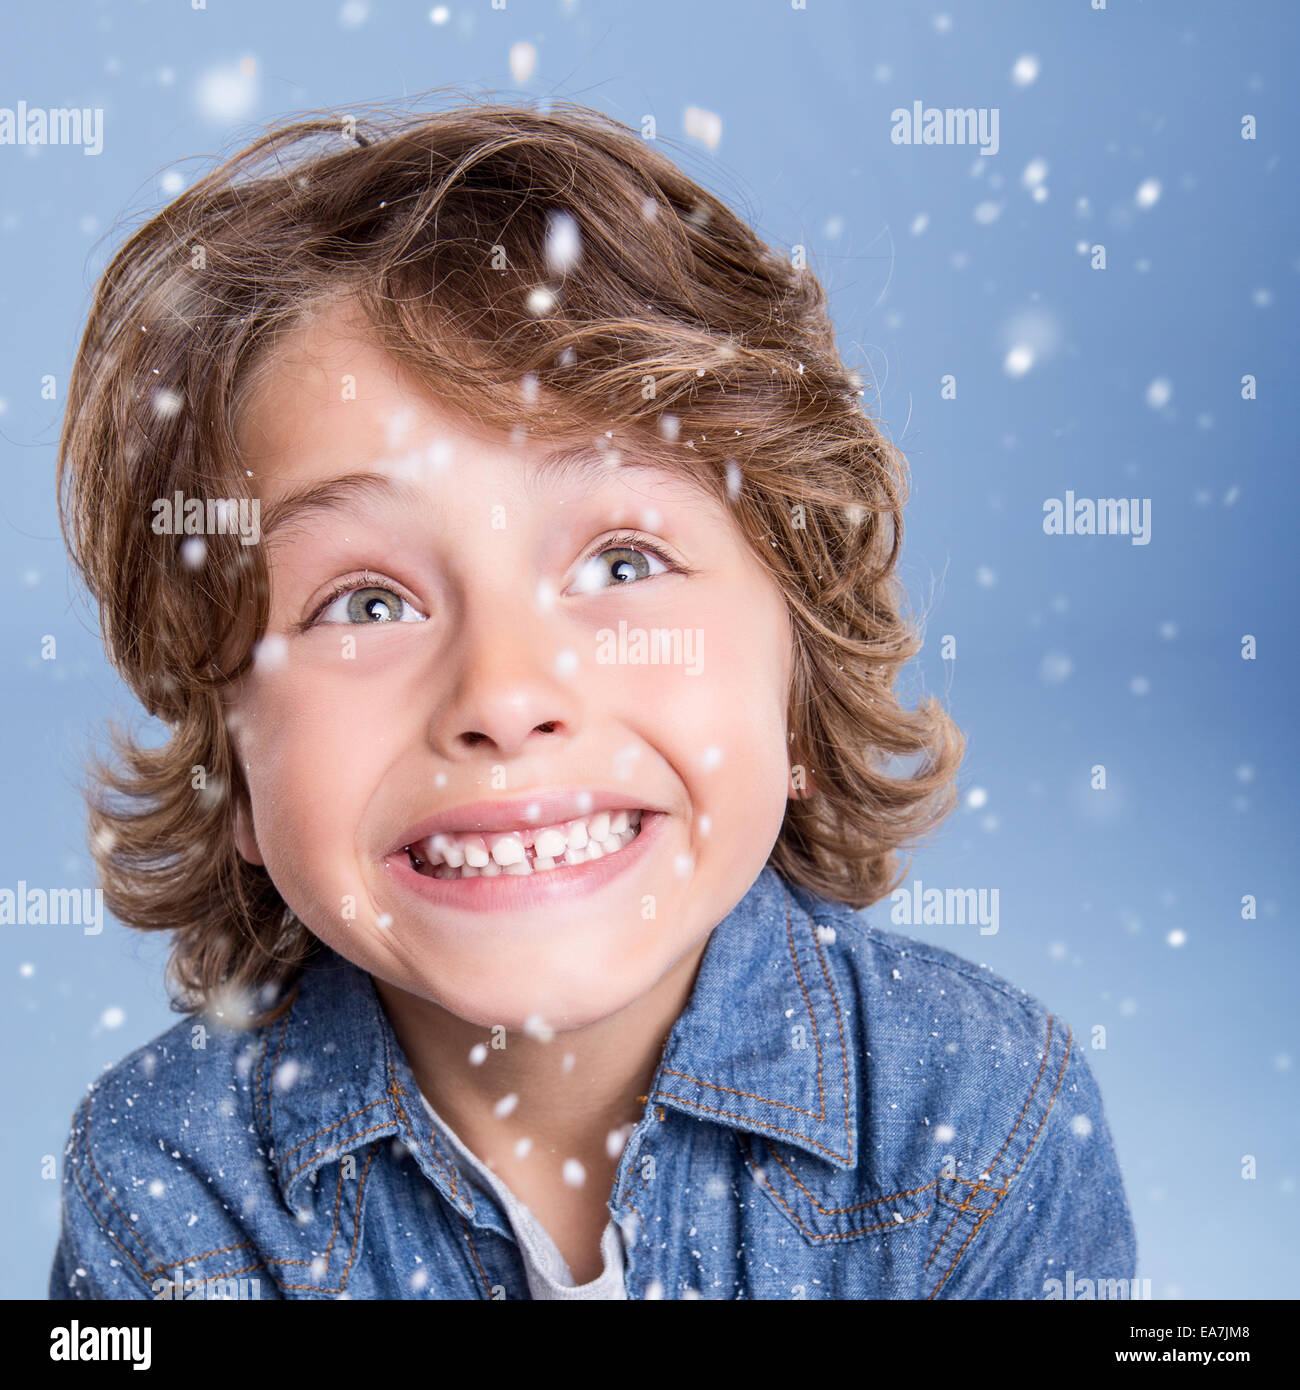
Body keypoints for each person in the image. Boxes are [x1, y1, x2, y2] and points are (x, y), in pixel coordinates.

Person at [49, 95, 1135, 1299]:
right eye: (364, 603)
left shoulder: (982, 1117)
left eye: (621, 564)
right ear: (232, 764)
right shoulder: (166, 1179)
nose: (506, 696)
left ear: (799, 685)